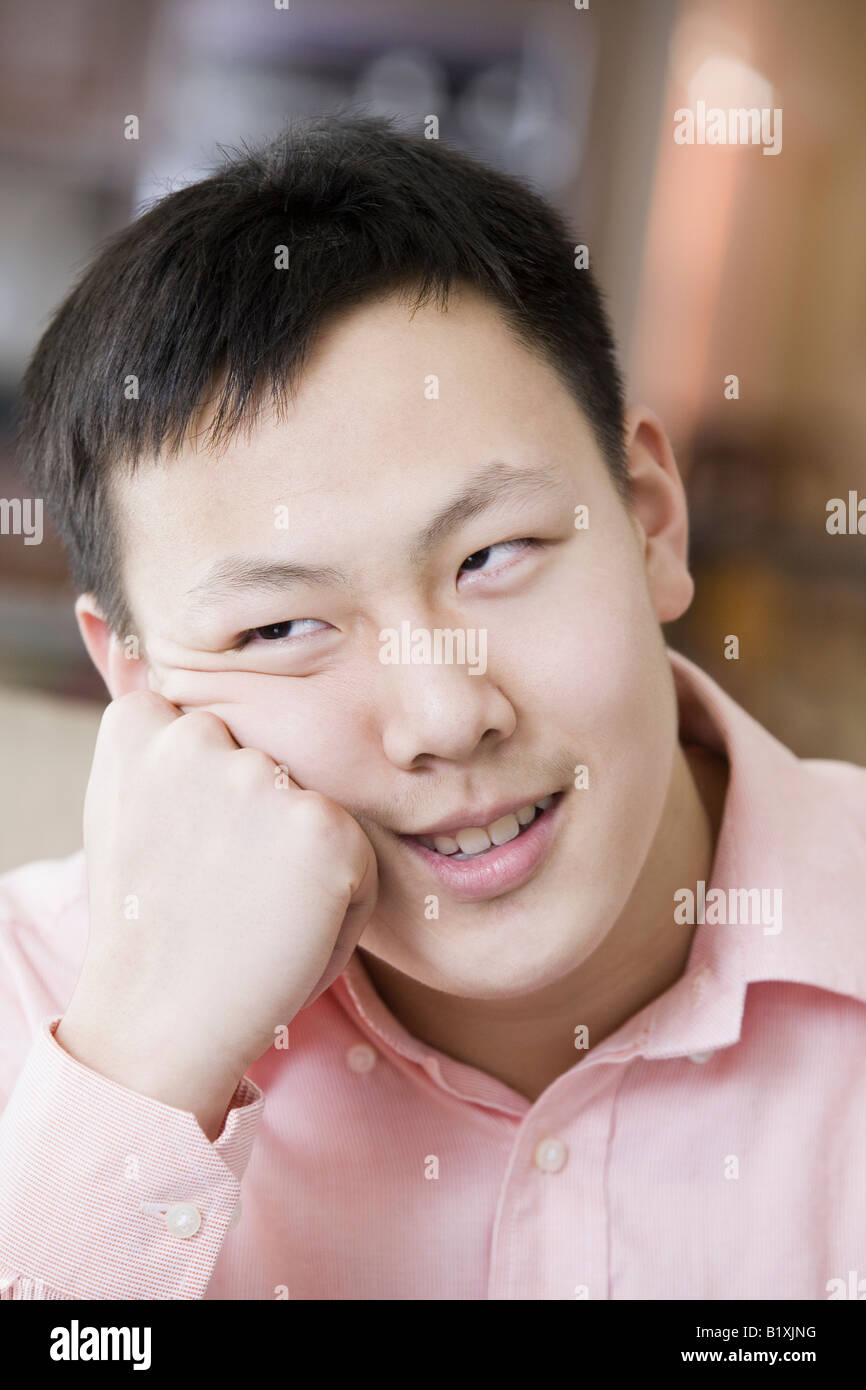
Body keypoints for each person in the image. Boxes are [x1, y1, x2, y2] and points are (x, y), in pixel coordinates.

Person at [1, 115, 864, 1301]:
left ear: (651, 522)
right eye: (282, 629)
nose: (444, 716)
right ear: (138, 681)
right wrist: (144, 1068)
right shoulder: (33, 995)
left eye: (495, 554)